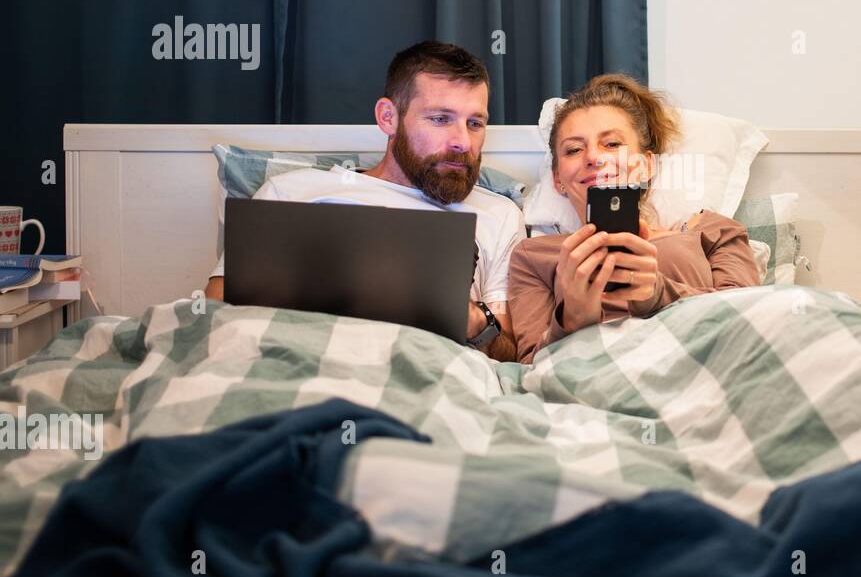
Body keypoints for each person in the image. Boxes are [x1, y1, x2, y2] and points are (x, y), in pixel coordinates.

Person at [203, 41, 525, 361]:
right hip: (291, 362)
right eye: (440, 119)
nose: (462, 142)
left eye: (475, 123)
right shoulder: (291, 193)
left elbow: (510, 355)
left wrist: (473, 321)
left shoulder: (498, 215)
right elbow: (215, 315)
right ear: (388, 117)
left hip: (423, 377)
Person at [508, 73, 760, 364]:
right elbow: (529, 369)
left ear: (646, 166)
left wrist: (658, 293)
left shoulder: (713, 231)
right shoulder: (534, 256)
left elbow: (749, 324)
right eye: (574, 149)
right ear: (557, 180)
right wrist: (572, 319)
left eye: (612, 144)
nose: (593, 157)